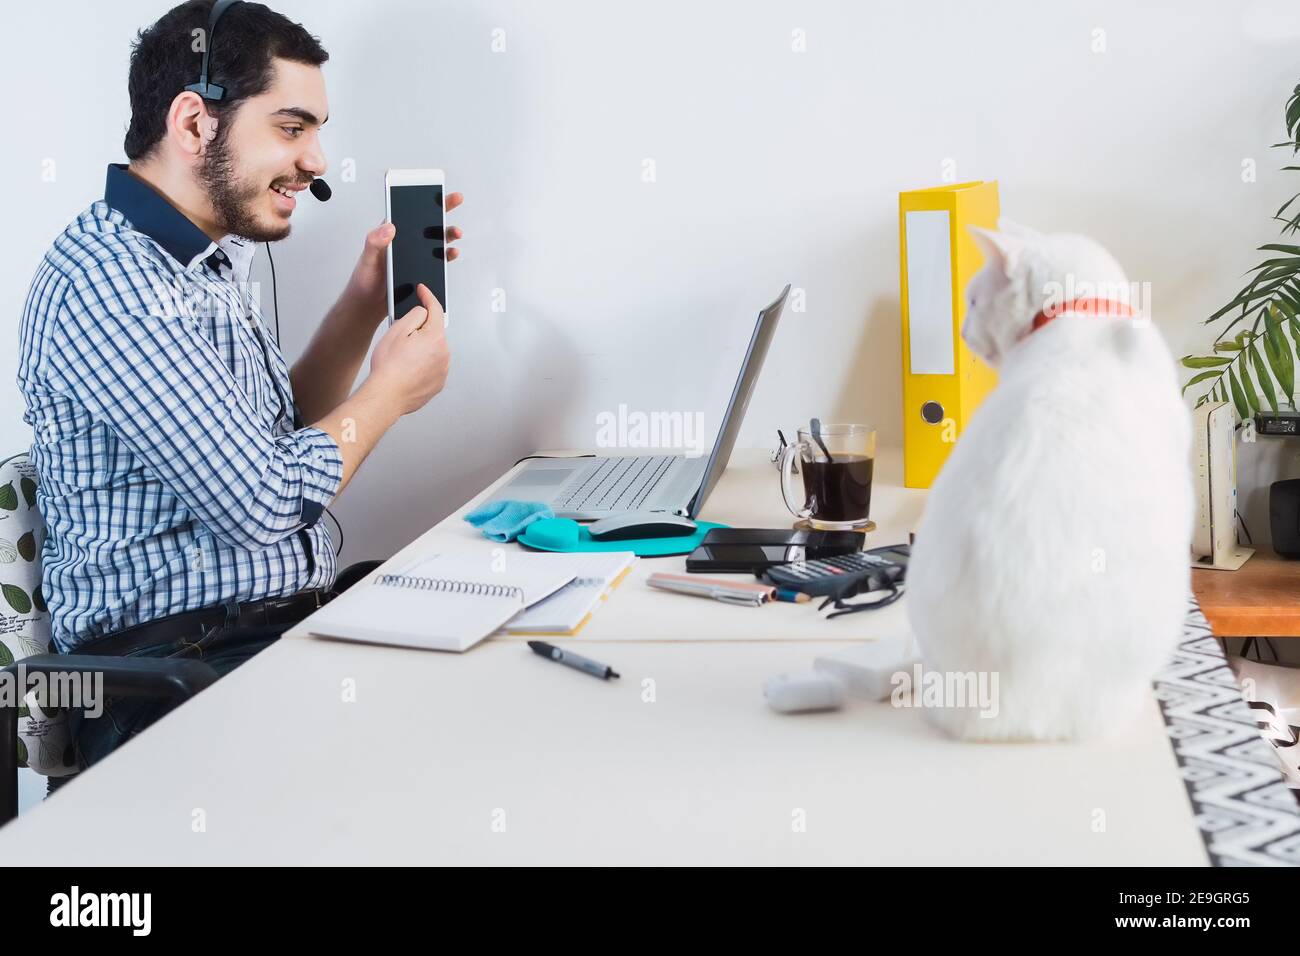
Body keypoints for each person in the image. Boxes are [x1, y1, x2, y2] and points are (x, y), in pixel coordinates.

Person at [16, 0, 459, 785]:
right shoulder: (110, 285)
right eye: (292, 128)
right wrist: (387, 396)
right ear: (194, 124)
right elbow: (260, 499)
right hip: (172, 674)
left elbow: (271, 438)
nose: (317, 159)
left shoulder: (197, 263)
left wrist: (360, 307)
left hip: (261, 635)